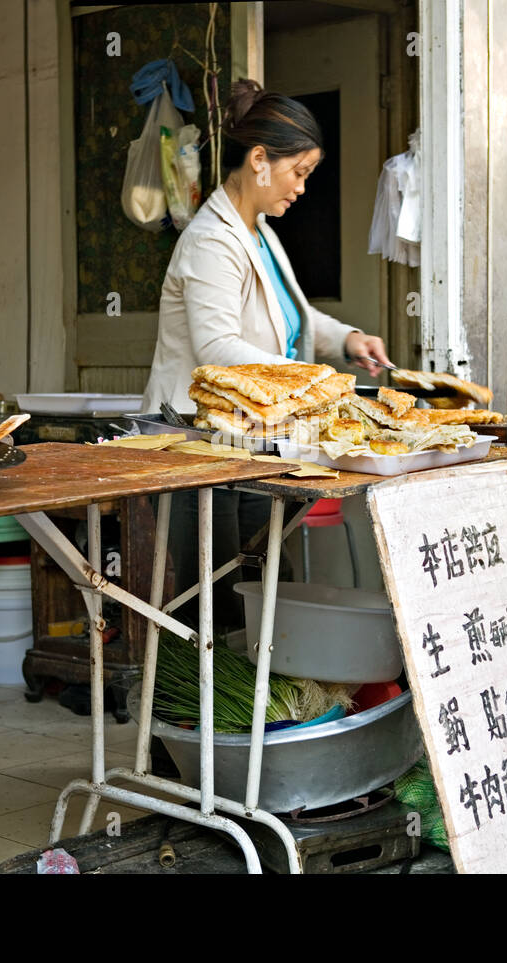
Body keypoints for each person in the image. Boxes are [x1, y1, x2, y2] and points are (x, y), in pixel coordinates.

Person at [140, 79, 390, 634]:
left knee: (259, 579)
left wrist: (347, 340)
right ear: (259, 160)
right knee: (214, 598)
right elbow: (218, 350)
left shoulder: (260, 234)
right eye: (298, 173)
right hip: (194, 440)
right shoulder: (211, 241)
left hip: (249, 436)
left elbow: (292, 320)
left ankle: (260, 710)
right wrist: (317, 384)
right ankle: (197, 716)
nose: (302, 189)